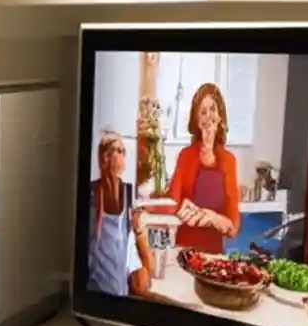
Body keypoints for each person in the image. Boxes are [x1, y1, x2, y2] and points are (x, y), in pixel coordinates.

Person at [165, 83, 241, 253]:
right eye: (203, 112)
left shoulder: (229, 161)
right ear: (196, 120)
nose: (208, 117)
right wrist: (150, 206)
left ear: (220, 116)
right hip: (184, 250)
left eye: (213, 109)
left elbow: (233, 227)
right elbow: (172, 204)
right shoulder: (186, 156)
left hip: (214, 255)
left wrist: (212, 218)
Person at [86, 130, 154, 297]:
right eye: (110, 151)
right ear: (101, 160)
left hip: (119, 292)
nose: (116, 156)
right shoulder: (90, 193)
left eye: (120, 151)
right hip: (95, 289)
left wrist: (139, 231)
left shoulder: (130, 194)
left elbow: (145, 267)